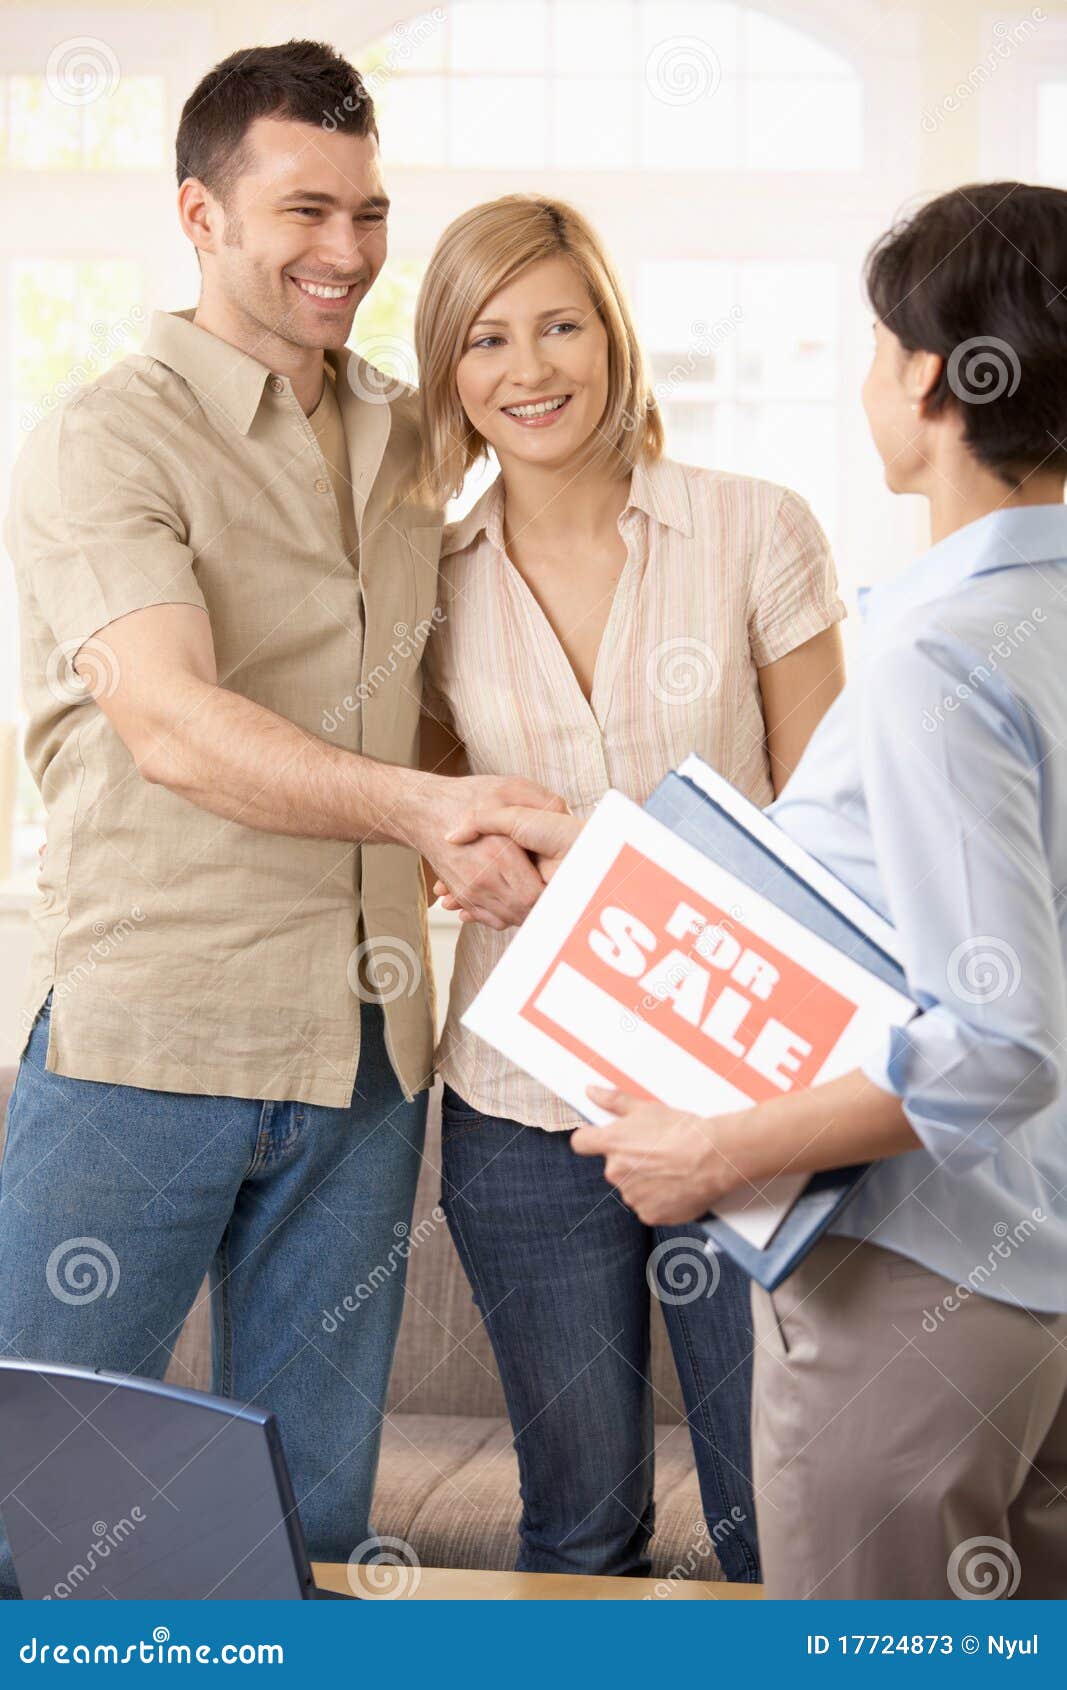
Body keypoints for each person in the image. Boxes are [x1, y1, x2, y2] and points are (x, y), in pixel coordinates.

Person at [448, 182, 1067, 1600]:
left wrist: (724, 1149)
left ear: (927, 375)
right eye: (489, 338)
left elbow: (997, 1037)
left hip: (901, 1247)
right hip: (1020, 1265)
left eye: (871, 345)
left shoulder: (933, 655)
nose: (530, 365)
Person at [0, 41, 561, 1597]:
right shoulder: (105, 442)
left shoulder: (401, 433)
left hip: (370, 1053)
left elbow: (507, 568)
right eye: (304, 209)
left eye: (371, 213)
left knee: (304, 1518)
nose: (348, 253)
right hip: (150, 1040)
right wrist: (424, 804)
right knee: (27, 1502)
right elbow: (173, 724)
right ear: (199, 212)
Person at [414, 194, 847, 1580]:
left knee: (770, 1519)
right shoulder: (426, 579)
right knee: (578, 1524)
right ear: (447, 368)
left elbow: (836, 831)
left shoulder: (754, 530)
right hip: (518, 1109)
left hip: (741, 1094)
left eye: (560, 324)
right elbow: (425, 812)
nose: (528, 371)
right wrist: (447, 852)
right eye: (486, 339)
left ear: (614, 334)